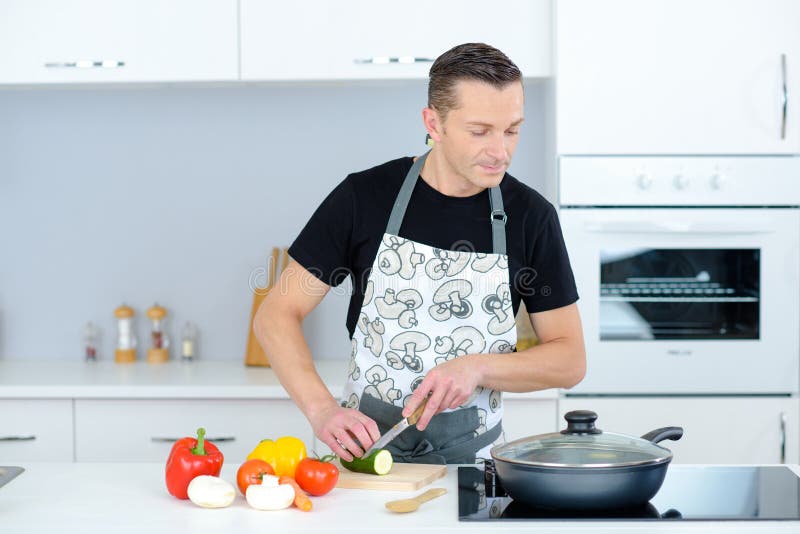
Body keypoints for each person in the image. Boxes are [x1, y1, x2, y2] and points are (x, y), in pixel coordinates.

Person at [254, 42, 586, 464]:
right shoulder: (364, 198)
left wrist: (477, 368)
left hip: (476, 466)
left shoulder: (531, 217)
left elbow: (570, 359)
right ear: (434, 122)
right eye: (480, 131)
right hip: (364, 458)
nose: (500, 151)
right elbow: (276, 314)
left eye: (512, 129)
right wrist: (321, 410)